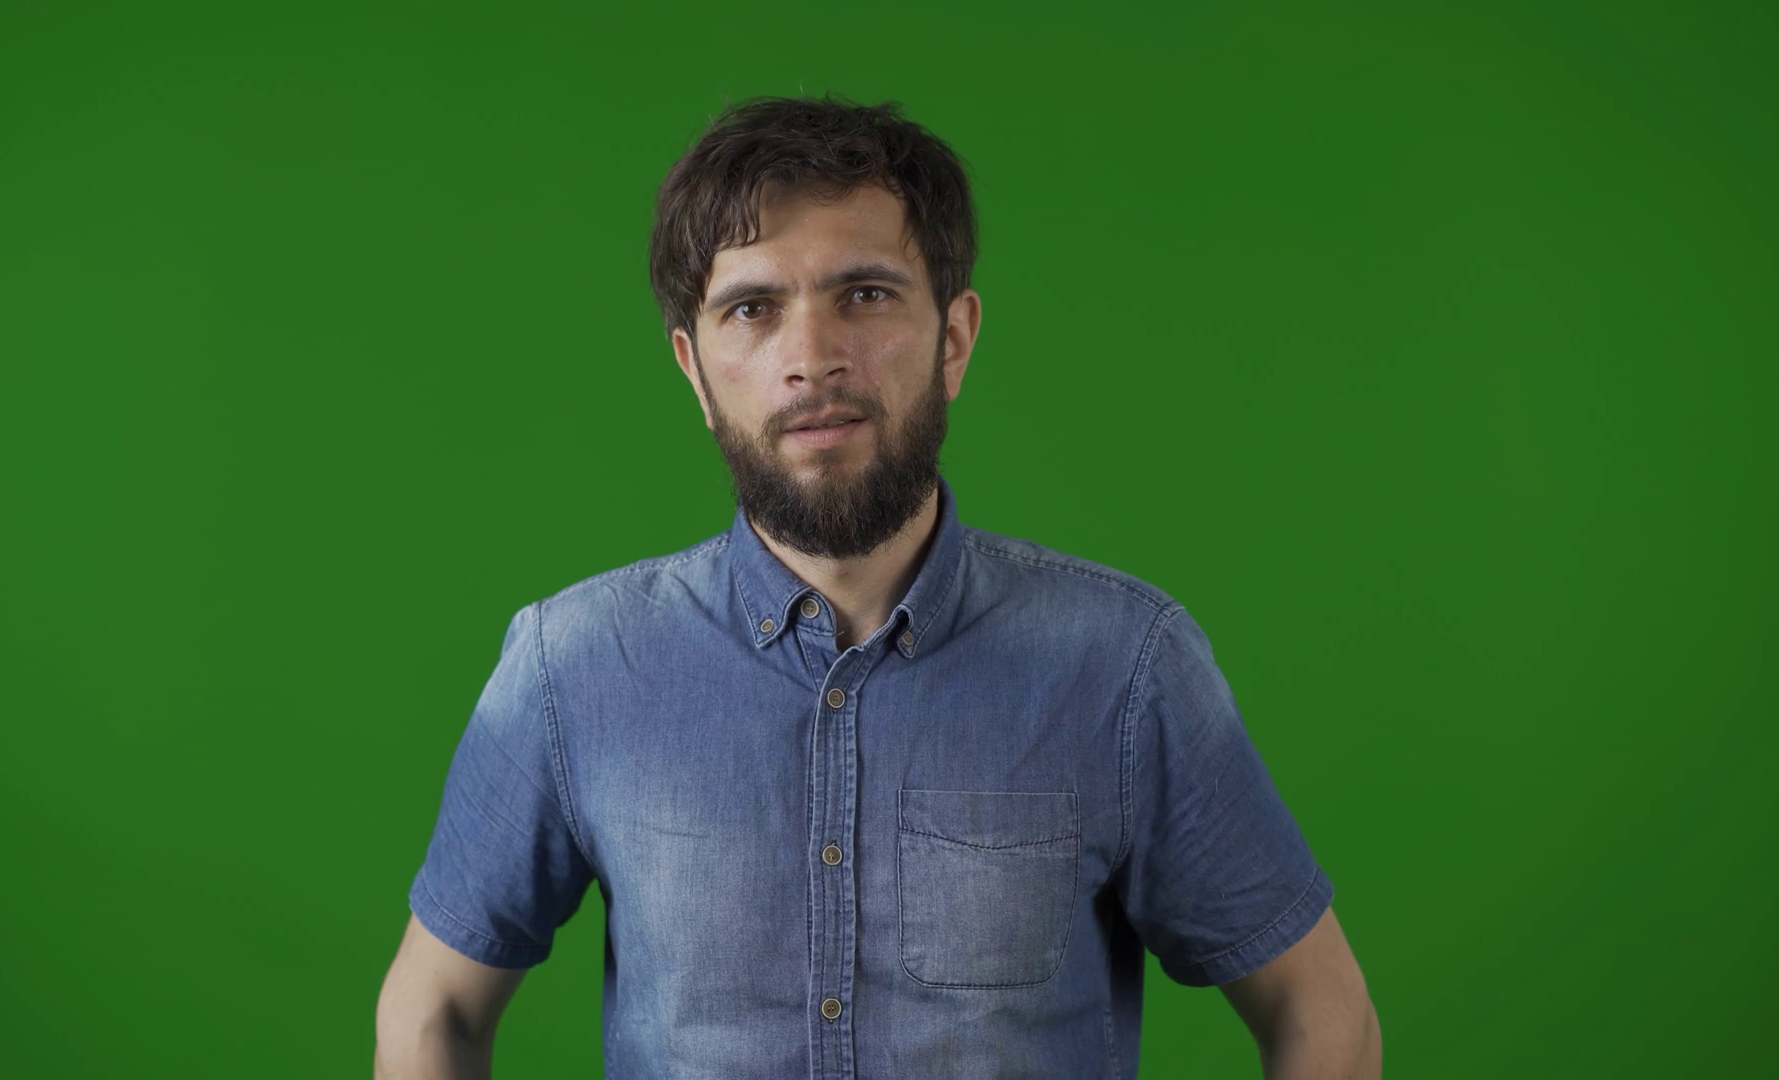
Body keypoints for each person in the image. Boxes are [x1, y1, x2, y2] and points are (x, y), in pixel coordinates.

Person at [374, 93, 1381, 1080]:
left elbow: (1319, 1012)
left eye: (864, 295)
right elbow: (433, 1013)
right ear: (693, 367)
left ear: (954, 338)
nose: (811, 358)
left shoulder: (1123, 664)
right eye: (753, 309)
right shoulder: (575, 665)